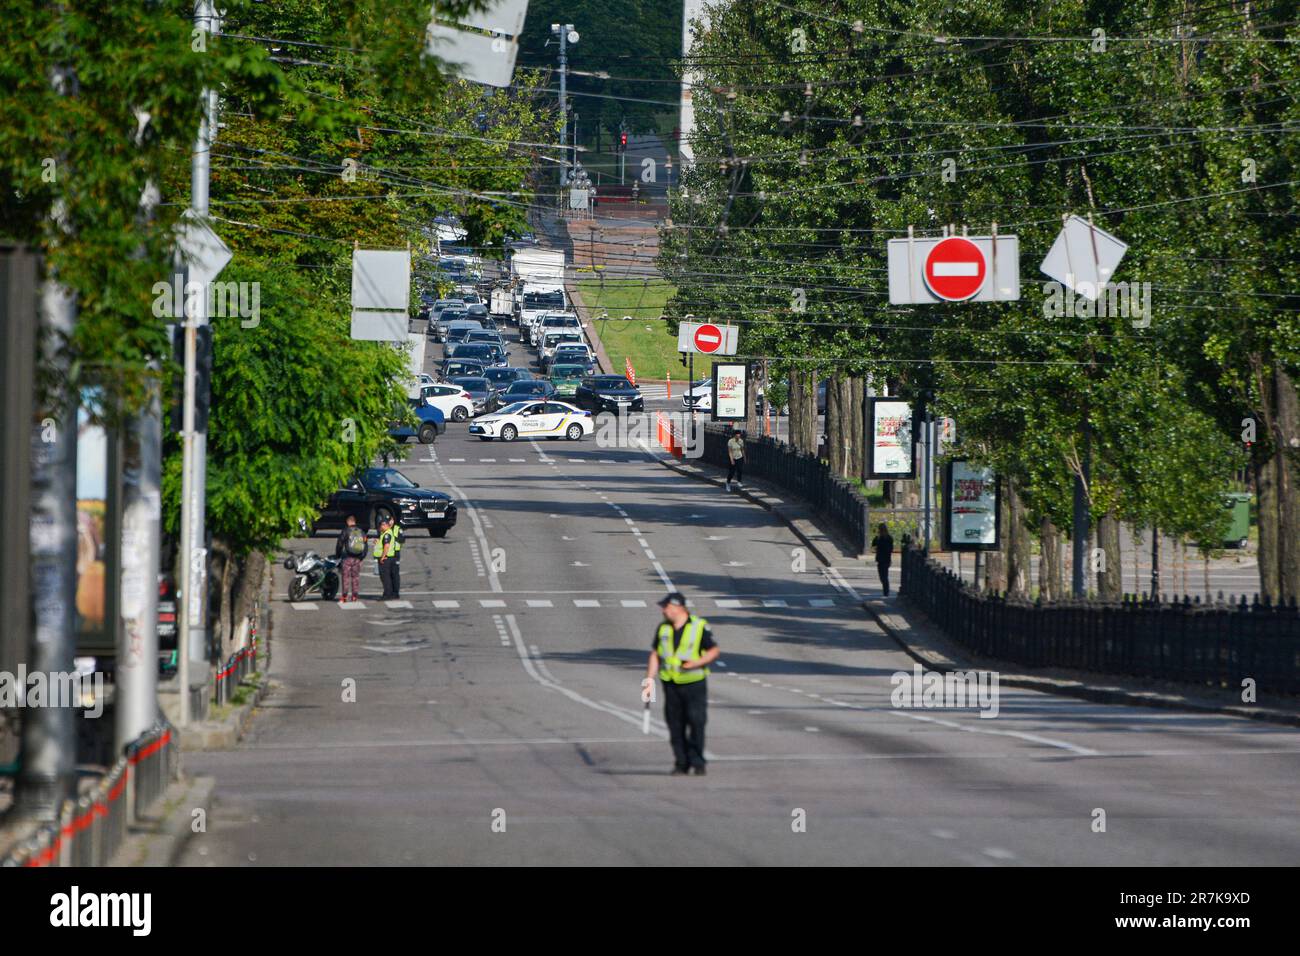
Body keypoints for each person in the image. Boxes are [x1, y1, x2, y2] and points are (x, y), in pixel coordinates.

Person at [642, 592, 720, 776]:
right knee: (675, 724)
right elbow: (656, 654)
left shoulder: (698, 627)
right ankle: (681, 762)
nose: (663, 610)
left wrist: (696, 663)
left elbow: (713, 650)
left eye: (666, 607)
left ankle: (698, 761)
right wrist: (649, 680)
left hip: (694, 682)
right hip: (671, 683)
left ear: (678, 608)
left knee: (696, 721)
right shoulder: (663, 629)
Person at [334, 514, 367, 602]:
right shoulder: (361, 531)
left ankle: (344, 596)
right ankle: (354, 596)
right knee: (355, 577)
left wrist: (338, 555)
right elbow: (365, 545)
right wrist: (362, 557)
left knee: (346, 577)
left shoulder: (346, 531)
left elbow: (340, 543)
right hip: (357, 558)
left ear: (348, 522)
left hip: (347, 557)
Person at [373, 516, 403, 599]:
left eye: (381, 525)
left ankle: (389, 594)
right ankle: (391, 593)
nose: (380, 527)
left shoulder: (388, 533)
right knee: (388, 576)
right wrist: (378, 542)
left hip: (389, 557)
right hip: (390, 556)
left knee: (387, 576)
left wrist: (383, 556)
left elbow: (387, 546)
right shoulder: (385, 533)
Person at [871, 522, 894, 596]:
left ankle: (886, 592)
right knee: (883, 576)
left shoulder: (888, 538)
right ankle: (886, 591)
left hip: (884, 559)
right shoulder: (879, 538)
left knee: (884, 576)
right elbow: (873, 544)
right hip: (882, 559)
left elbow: (890, 549)